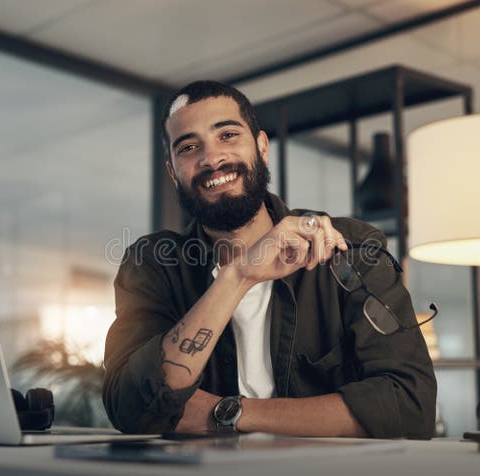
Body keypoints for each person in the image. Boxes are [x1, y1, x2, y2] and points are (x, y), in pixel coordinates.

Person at [102, 80, 437, 438]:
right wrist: (239, 274)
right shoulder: (152, 264)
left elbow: (410, 406)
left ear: (262, 147)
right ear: (172, 172)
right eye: (188, 147)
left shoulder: (347, 250)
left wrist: (225, 412)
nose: (212, 159)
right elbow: (130, 408)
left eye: (228, 135)